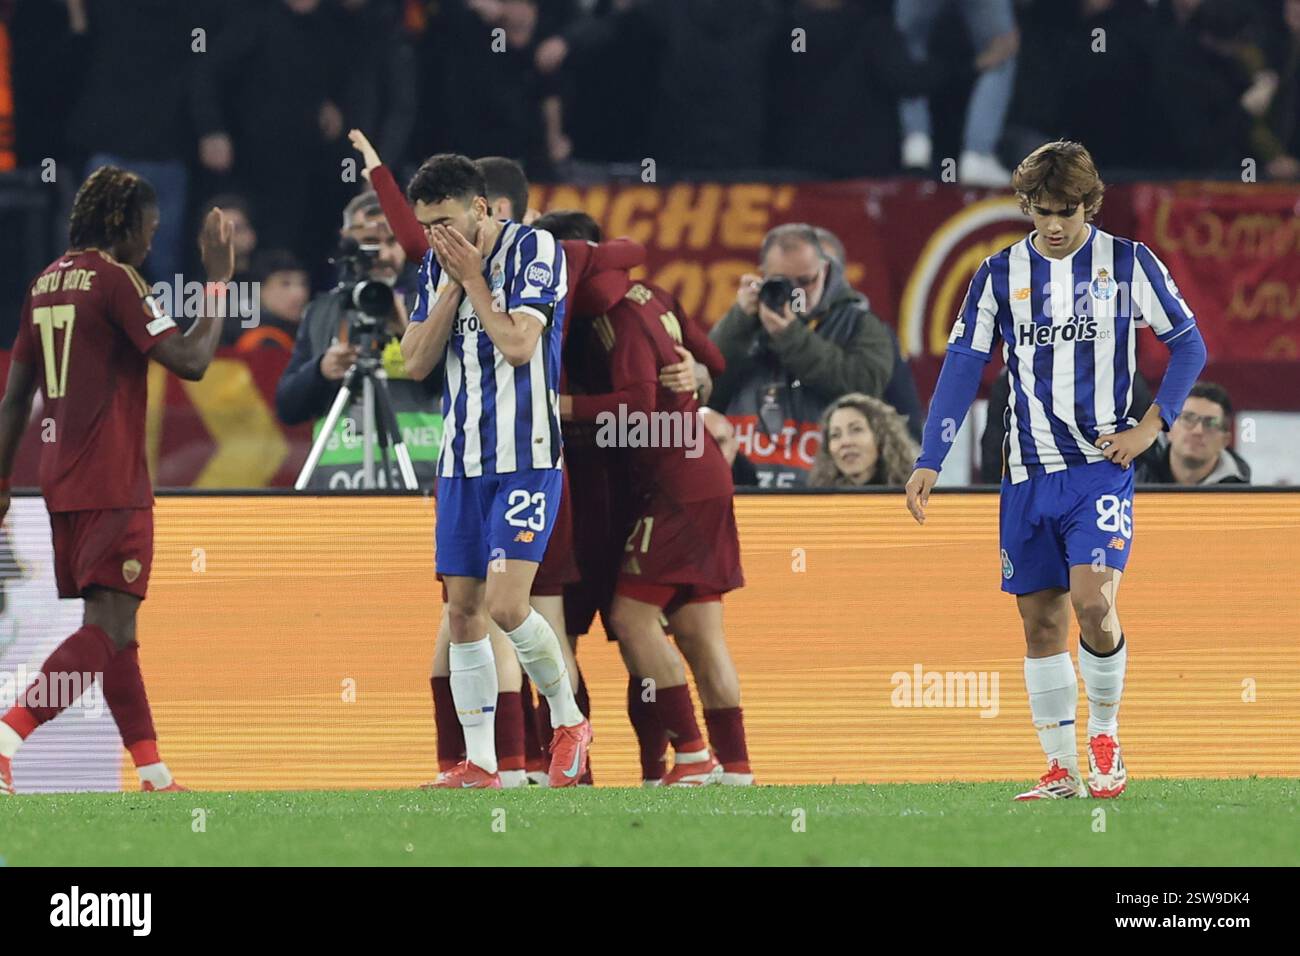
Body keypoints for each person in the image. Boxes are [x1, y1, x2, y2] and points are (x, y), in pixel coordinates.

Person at [905, 141, 1208, 800]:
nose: (1055, 224)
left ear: (1089, 205)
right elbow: (962, 368)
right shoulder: (995, 276)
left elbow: (1188, 343)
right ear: (1026, 207)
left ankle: (1105, 735)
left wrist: (1151, 427)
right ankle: (1060, 767)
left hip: (1099, 467)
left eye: (1067, 210)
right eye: (1042, 211)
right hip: (1025, 474)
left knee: (1094, 602)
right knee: (1041, 622)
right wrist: (931, 457)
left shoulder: (1128, 263)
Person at [0, 166, 235, 795]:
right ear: (122, 224)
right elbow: (190, 360)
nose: (151, 245)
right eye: (149, 232)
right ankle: (6, 737)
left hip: (61, 483)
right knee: (105, 628)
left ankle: (154, 774)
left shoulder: (44, 283)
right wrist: (216, 287)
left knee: (117, 632)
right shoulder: (115, 278)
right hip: (113, 481)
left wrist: (0, 488)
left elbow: (14, 399)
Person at [398, 153, 591, 789]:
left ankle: (568, 720)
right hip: (460, 462)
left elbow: (517, 345)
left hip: (528, 455)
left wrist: (474, 279)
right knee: (463, 611)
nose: (436, 237)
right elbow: (416, 363)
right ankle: (480, 761)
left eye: (446, 221)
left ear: (481, 209)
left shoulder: (537, 249)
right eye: (426, 226)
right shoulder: (434, 265)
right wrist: (452, 282)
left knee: (510, 605)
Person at [550, 210, 752, 787]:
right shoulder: (657, 295)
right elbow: (713, 363)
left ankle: (690, 757)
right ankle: (734, 769)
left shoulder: (613, 316)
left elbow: (638, 405)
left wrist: (560, 408)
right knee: (697, 632)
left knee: (631, 619)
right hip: (697, 472)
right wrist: (694, 375)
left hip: (669, 484)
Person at [710, 223, 896, 487]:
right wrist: (738, 322)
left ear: (825, 269)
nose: (797, 293)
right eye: (785, 283)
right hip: (747, 490)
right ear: (763, 276)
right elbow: (705, 387)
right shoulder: (744, 323)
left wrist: (791, 337)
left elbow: (864, 386)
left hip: (827, 494)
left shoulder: (859, 324)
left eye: (806, 281)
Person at [896, 0, 1020, 186]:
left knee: (909, 45)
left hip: (947, 106)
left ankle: (916, 137)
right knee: (1002, 49)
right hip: (952, 108)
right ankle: (978, 154)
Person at [1136, 382, 1250, 485]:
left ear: (1225, 440)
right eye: (1188, 418)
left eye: (1210, 423)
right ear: (1168, 429)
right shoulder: (1131, 478)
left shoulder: (1243, 498)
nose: (1198, 431)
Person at [808, 393, 919, 487]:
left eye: (856, 429)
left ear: (881, 437)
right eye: (835, 435)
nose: (845, 442)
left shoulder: (916, 493)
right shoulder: (819, 503)